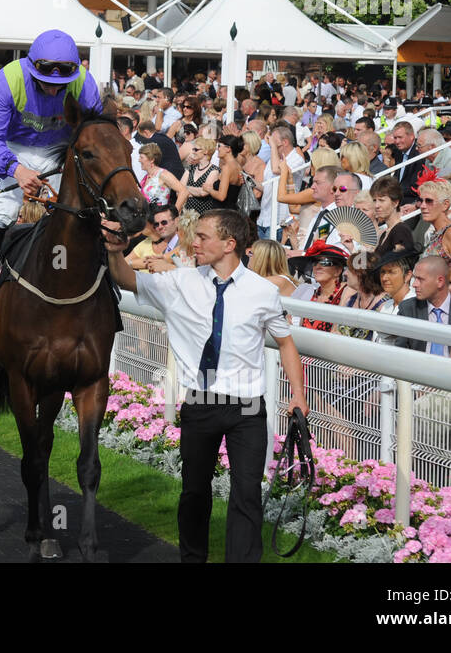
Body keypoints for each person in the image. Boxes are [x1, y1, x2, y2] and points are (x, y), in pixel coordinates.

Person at [103, 208, 308, 563]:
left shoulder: (262, 291)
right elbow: (126, 279)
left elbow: (286, 343)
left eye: (202, 237)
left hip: (248, 410)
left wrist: (298, 396)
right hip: (200, 404)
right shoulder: (179, 282)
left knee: (246, 494)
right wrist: (113, 250)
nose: (192, 242)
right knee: (195, 492)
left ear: (229, 244)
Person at [0, 29, 102, 309]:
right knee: (4, 210)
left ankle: (100, 277)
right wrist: (16, 170)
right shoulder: (7, 81)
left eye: (60, 85)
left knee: (80, 211)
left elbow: (94, 135)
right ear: (32, 69)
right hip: (15, 147)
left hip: (62, 149)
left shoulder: (85, 85)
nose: (53, 90)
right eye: (45, 83)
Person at [384, 255, 451, 354]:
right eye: (414, 278)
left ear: (440, 281)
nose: (414, 284)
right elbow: (401, 352)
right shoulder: (408, 309)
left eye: (420, 279)